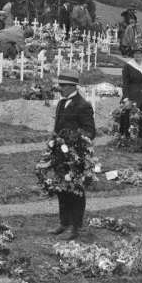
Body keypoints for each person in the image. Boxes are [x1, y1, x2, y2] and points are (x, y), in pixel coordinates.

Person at [47, 69, 96, 241]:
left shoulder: (83, 105)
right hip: (60, 154)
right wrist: (53, 142)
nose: (60, 88)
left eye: (63, 85)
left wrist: (75, 142)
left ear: (72, 86)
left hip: (76, 156)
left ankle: (76, 226)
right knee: (62, 188)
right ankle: (64, 222)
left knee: (75, 190)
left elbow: (90, 131)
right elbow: (57, 128)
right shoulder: (61, 104)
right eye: (60, 85)